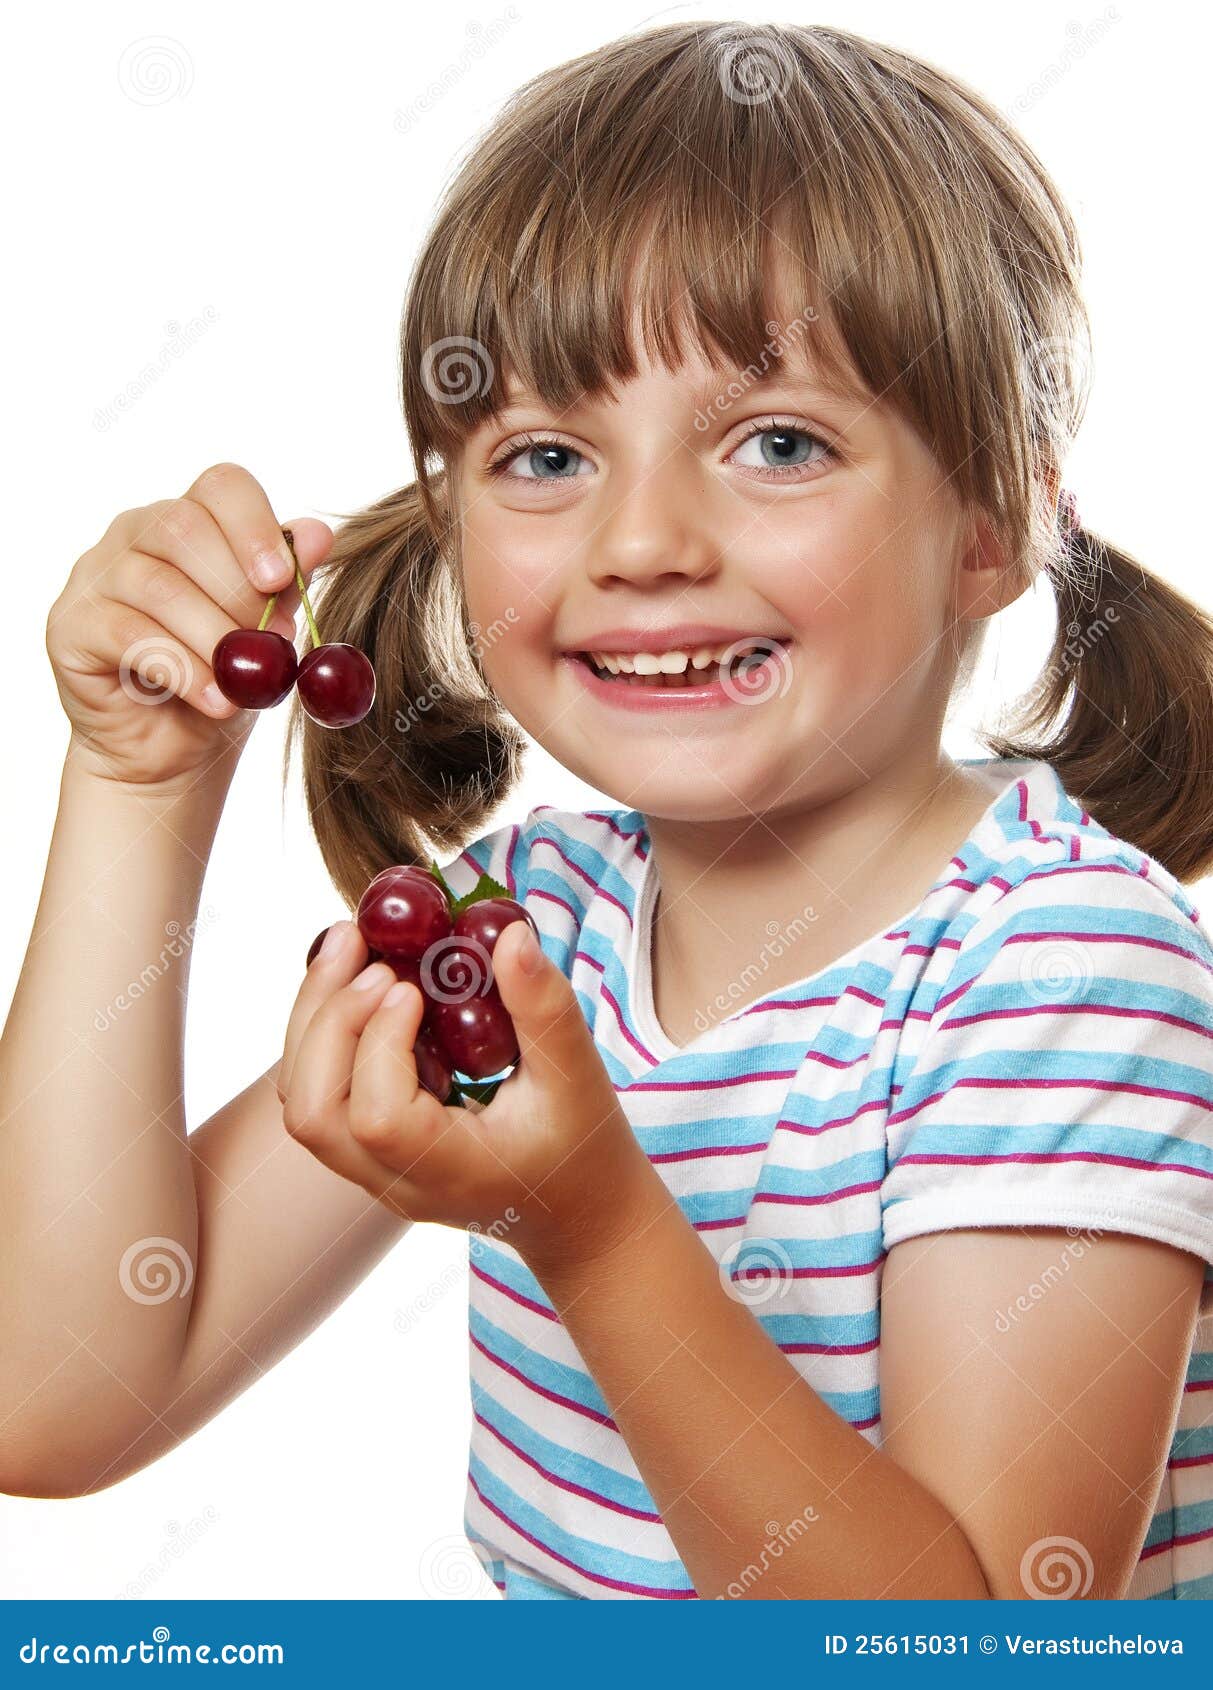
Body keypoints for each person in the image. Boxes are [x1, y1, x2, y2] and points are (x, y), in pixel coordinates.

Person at [5, 20, 1212, 1601]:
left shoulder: (1065, 970)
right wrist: (138, 784)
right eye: (546, 455)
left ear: (993, 524)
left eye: (778, 442)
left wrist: (589, 1228)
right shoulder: (530, 928)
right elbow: (54, 1395)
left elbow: (963, 1650)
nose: (640, 542)